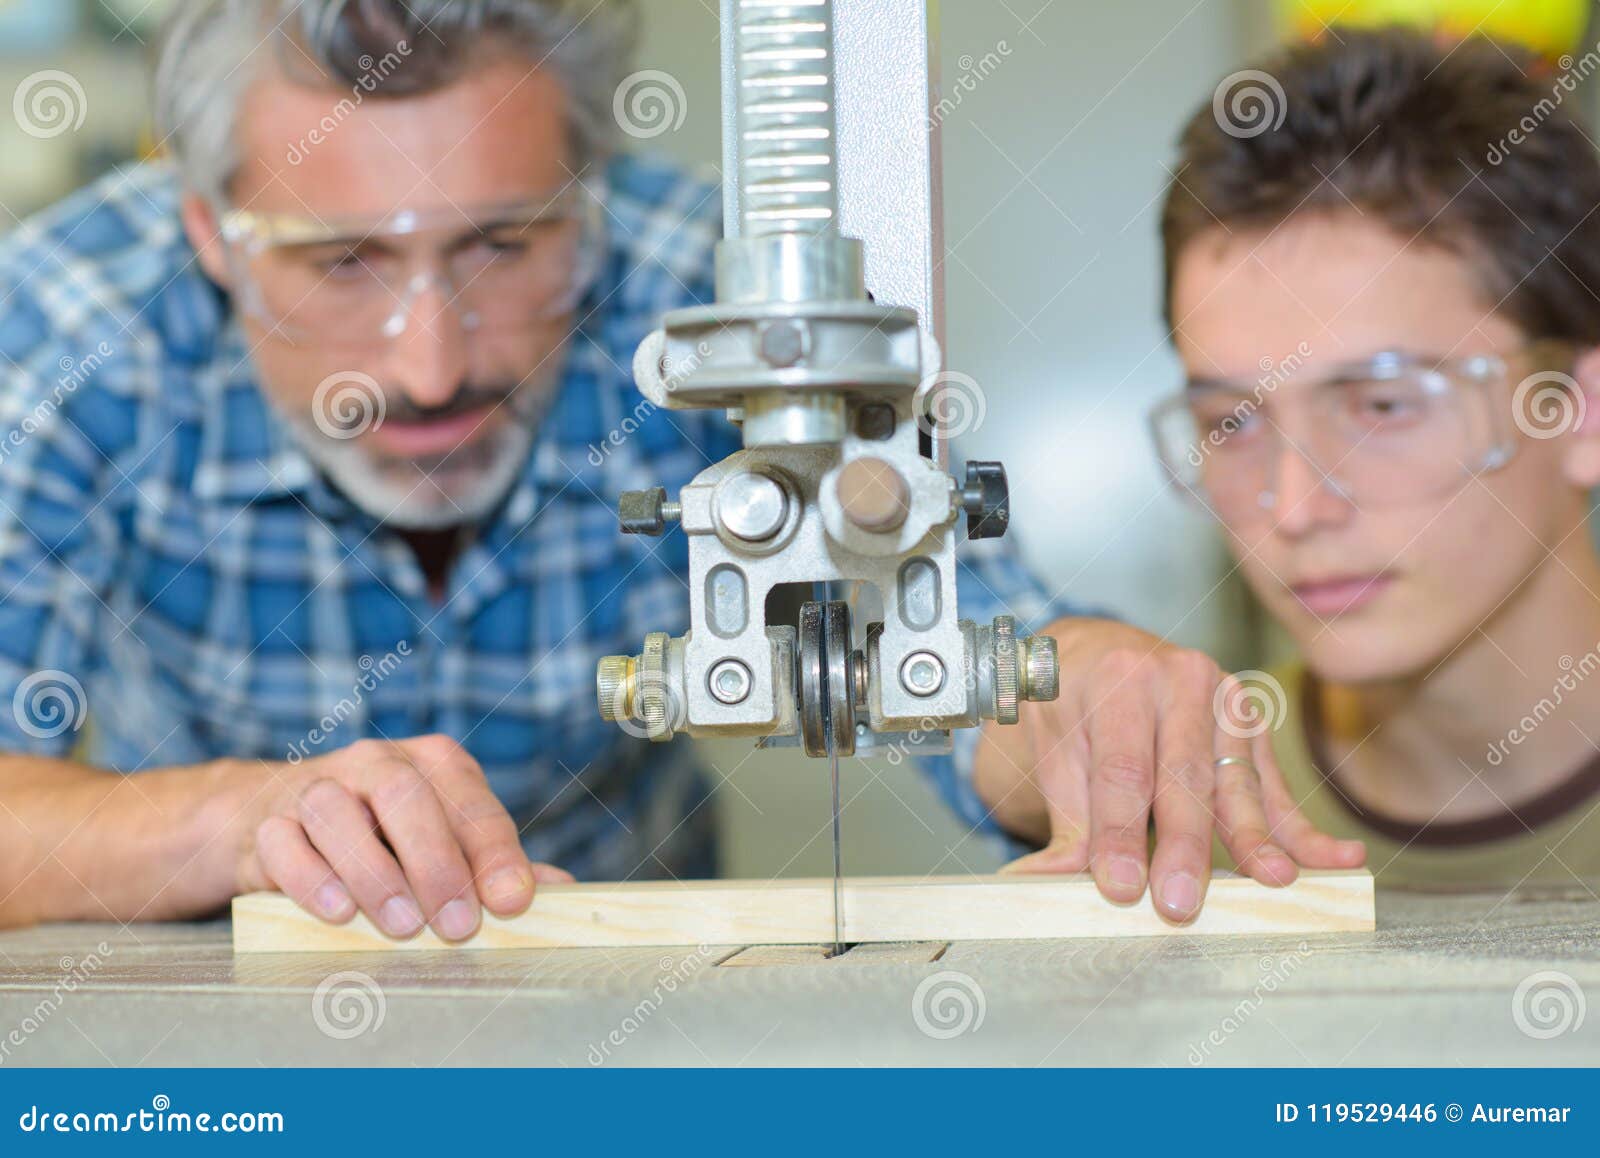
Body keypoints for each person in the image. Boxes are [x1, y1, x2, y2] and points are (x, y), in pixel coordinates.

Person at [0, 0, 1361, 939]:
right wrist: (242, 823)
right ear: (210, 235)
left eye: (502, 246)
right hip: (253, 976)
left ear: (591, 199)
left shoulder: (711, 298)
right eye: (341, 260)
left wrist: (1083, 692)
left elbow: (954, 644)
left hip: (634, 992)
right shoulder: (68, 339)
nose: (427, 365)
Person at [1153, 27, 1600, 888]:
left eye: (1385, 405)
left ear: (1578, 412)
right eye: (1232, 423)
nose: (1295, 508)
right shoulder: (1176, 836)